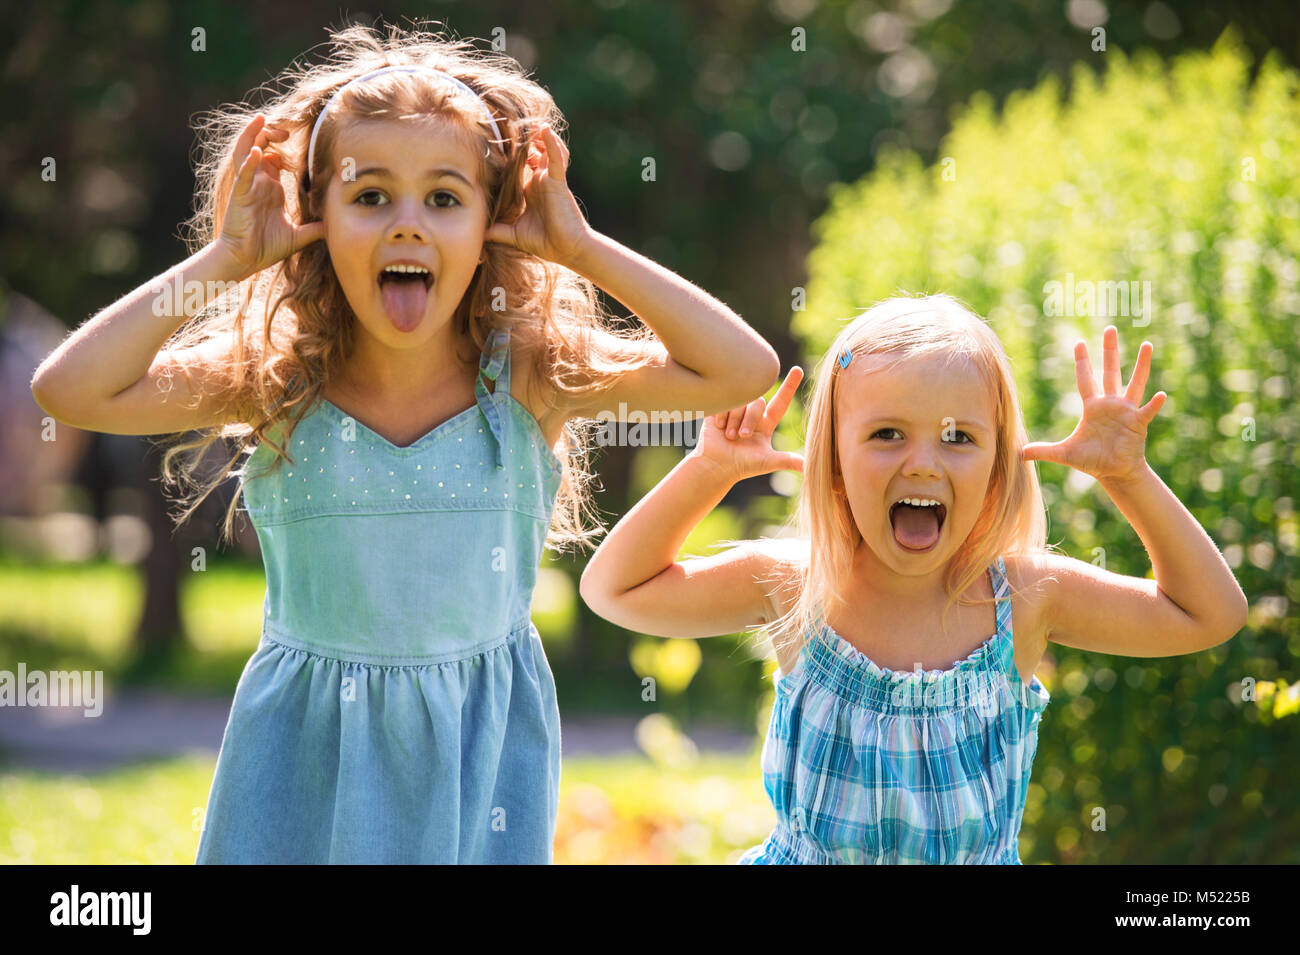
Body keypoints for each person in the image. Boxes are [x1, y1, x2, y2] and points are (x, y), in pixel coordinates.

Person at [29, 23, 778, 863]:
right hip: (302, 760)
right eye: (371, 195)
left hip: (475, 759)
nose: (408, 226)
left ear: (495, 222)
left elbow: (739, 368)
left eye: (446, 198)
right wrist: (226, 257)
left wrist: (581, 248)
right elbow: (69, 389)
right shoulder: (277, 376)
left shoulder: (529, 373)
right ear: (315, 215)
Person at [579, 293, 1249, 864]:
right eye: (888, 434)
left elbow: (1208, 613)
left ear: (998, 465)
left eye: (959, 437)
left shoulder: (1024, 597)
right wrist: (709, 470)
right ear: (833, 460)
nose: (923, 463)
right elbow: (614, 589)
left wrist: (1129, 478)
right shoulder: (795, 586)